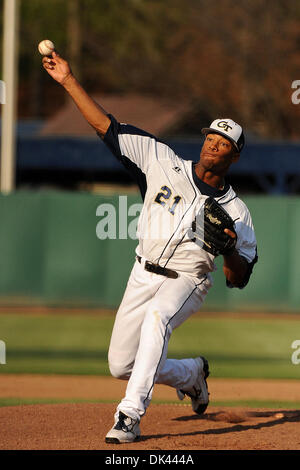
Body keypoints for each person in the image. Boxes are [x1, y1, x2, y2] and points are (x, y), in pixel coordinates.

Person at [42, 51, 258, 444]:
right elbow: (107, 127)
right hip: (142, 271)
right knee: (120, 363)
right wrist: (68, 80)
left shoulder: (237, 212)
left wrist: (227, 249)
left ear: (235, 155)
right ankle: (191, 374)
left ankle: (129, 416)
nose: (213, 145)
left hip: (187, 280)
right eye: (210, 137)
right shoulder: (162, 160)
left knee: (158, 318)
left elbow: (237, 278)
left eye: (223, 143)